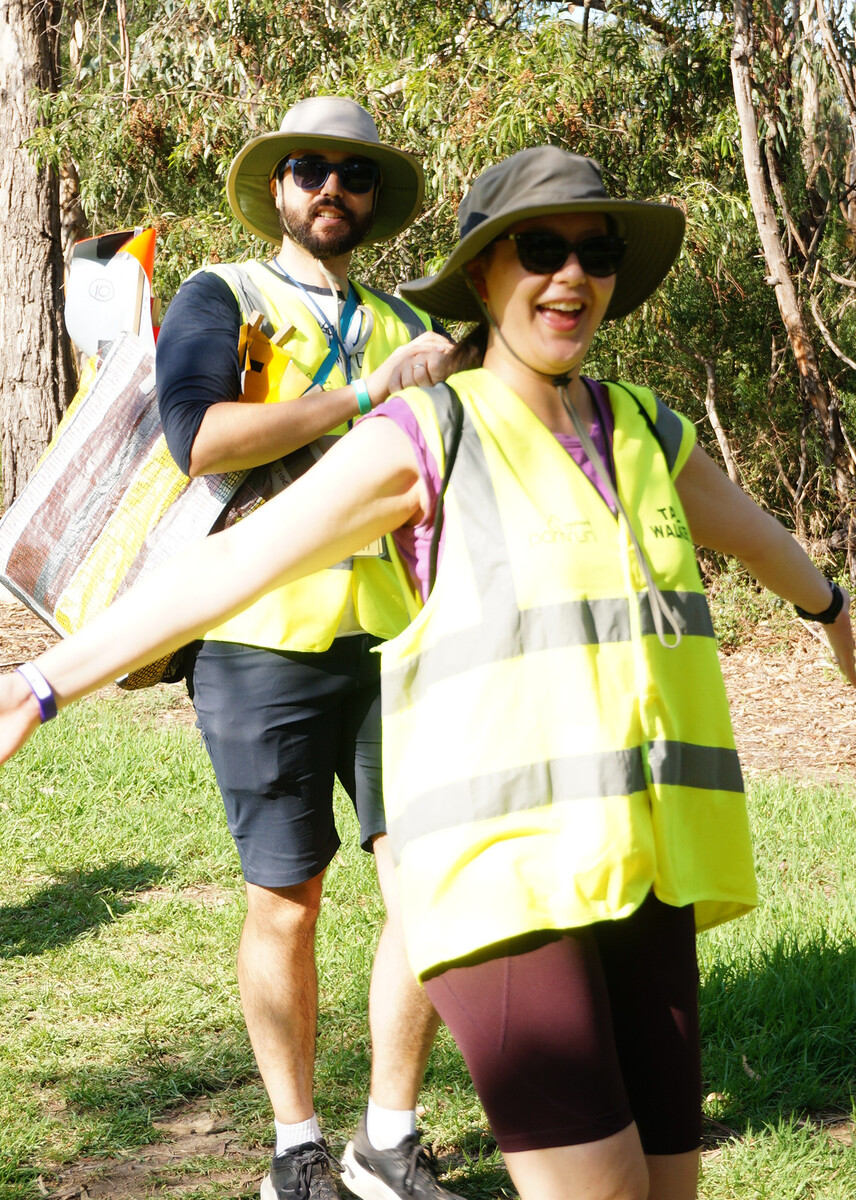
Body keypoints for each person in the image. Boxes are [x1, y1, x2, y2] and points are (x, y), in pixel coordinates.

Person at [1, 146, 856, 1200]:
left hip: (644, 865)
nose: (573, 275)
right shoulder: (426, 434)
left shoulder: (642, 429)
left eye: (596, 252)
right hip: (503, 883)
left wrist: (828, 603)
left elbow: (752, 531)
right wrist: (48, 681)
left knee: (668, 1189)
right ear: (484, 273)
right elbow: (229, 564)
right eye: (541, 249)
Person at [153, 96, 459, 1200]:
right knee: (289, 896)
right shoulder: (223, 294)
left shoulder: (397, 315)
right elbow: (200, 436)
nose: (334, 187)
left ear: (374, 200)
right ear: (278, 188)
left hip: (398, 639)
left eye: (356, 174)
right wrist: (369, 392)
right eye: (311, 169)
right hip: (257, 638)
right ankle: (296, 1148)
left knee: (428, 880)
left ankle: (389, 1136)